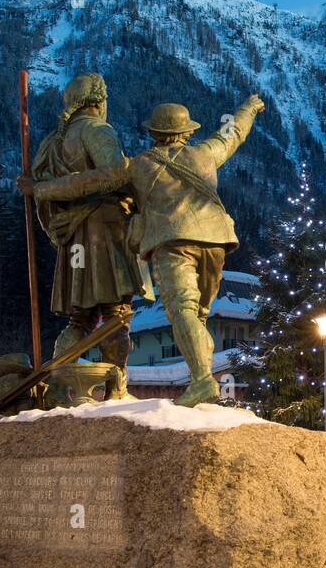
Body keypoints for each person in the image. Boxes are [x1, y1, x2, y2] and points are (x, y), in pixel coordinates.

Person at [127, 94, 264, 406]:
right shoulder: (204, 154)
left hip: (173, 243)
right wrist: (250, 107)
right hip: (215, 241)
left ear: (154, 133)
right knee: (199, 315)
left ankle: (202, 380)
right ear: (187, 131)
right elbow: (234, 133)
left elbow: (96, 182)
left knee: (183, 310)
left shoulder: (137, 167)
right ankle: (201, 378)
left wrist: (41, 188)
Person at [16, 74, 150, 396]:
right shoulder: (97, 130)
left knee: (80, 319)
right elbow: (115, 174)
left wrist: (42, 190)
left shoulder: (53, 143)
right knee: (116, 313)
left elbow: (45, 201)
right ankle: (116, 388)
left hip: (75, 237)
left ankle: (59, 386)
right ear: (98, 100)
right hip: (105, 231)